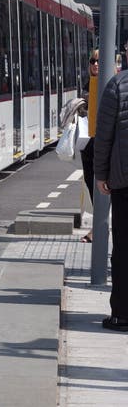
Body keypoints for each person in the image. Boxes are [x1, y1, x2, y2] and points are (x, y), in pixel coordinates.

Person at [94, 61, 128, 331]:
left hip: (124, 180)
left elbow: (104, 135)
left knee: (124, 249)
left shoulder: (117, 85)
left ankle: (122, 314)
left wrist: (101, 173)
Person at [79, 48, 98, 243]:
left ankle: (98, 229)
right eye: (92, 61)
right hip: (87, 145)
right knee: (91, 184)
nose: (95, 64)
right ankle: (98, 227)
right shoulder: (86, 85)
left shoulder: (110, 84)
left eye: (98, 61)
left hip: (103, 144)